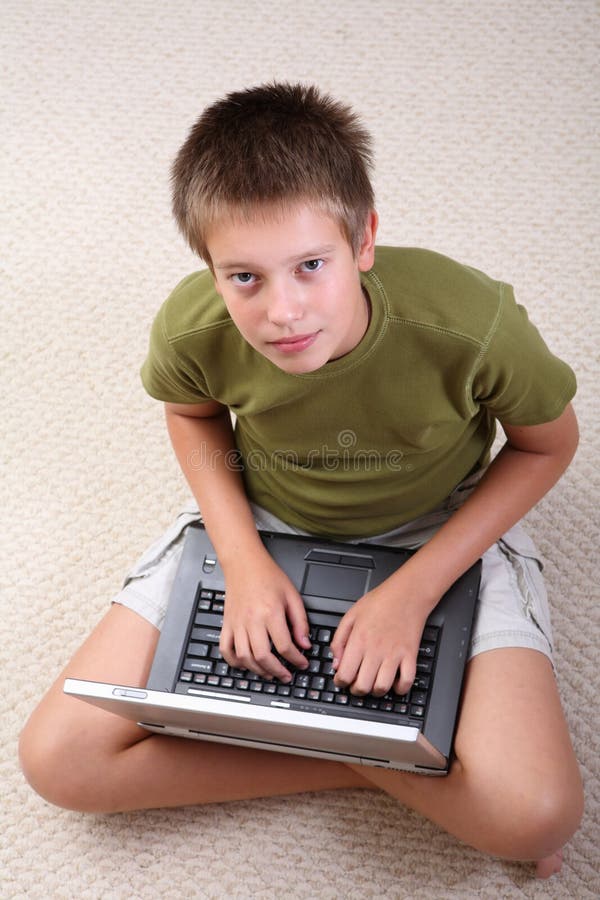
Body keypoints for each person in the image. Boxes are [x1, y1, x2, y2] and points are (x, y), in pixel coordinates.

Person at [19, 82, 583, 879]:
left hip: (437, 520)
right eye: (243, 277)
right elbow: (192, 416)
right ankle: (364, 759)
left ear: (364, 240)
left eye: (310, 266)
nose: (283, 310)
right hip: (265, 514)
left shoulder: (473, 324)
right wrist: (243, 562)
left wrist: (415, 592)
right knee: (59, 761)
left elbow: (545, 447)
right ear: (209, 268)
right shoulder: (193, 328)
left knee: (535, 817)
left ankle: (344, 741)